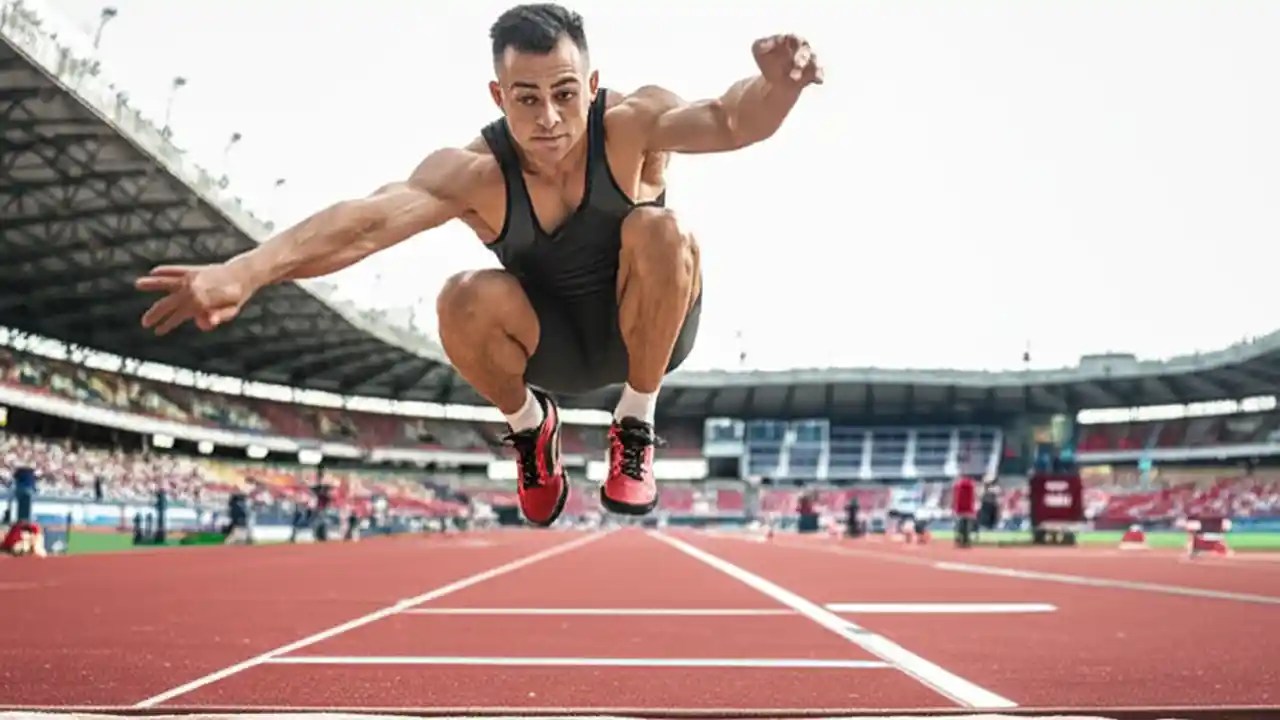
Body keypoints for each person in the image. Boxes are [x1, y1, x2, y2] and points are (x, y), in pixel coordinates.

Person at [134, 3, 823, 527]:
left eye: (564, 93)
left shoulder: (633, 123)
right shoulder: (475, 172)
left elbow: (733, 120)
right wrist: (247, 271)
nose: (549, 118)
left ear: (593, 84)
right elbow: (367, 222)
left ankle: (634, 421)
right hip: (549, 348)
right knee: (460, 296)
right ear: (499, 97)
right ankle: (530, 426)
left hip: (646, 326)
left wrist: (778, 88)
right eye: (527, 98)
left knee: (661, 229)